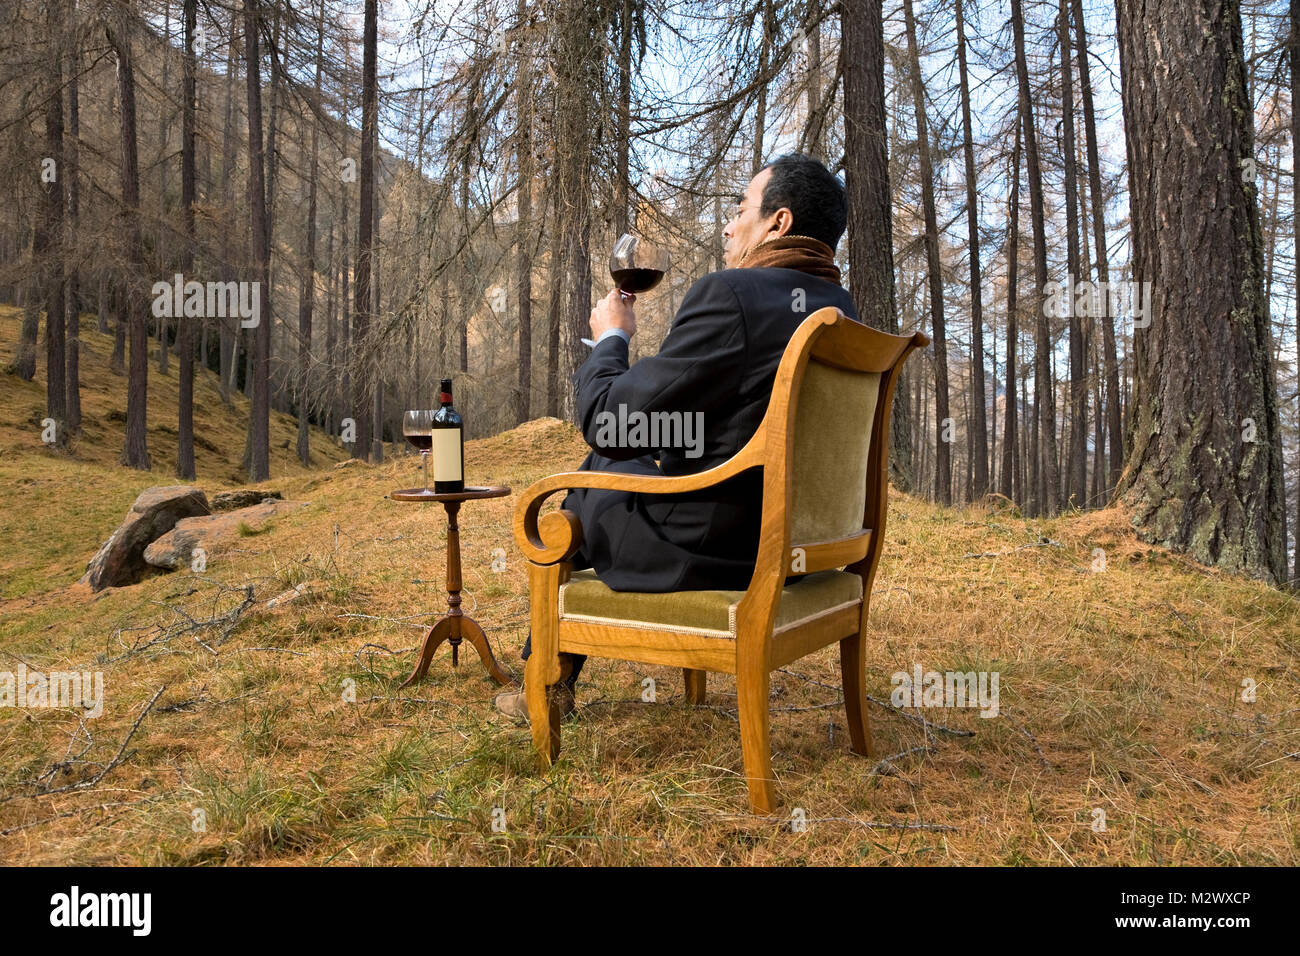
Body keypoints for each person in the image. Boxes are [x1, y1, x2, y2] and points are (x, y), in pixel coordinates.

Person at [495, 152, 858, 721]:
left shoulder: (733, 295)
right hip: (802, 550)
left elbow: (609, 423)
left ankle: (544, 683)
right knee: (613, 465)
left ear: (778, 222)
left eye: (740, 210)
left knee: (594, 470)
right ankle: (546, 676)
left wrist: (611, 341)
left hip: (713, 550)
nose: (728, 227)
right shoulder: (840, 310)